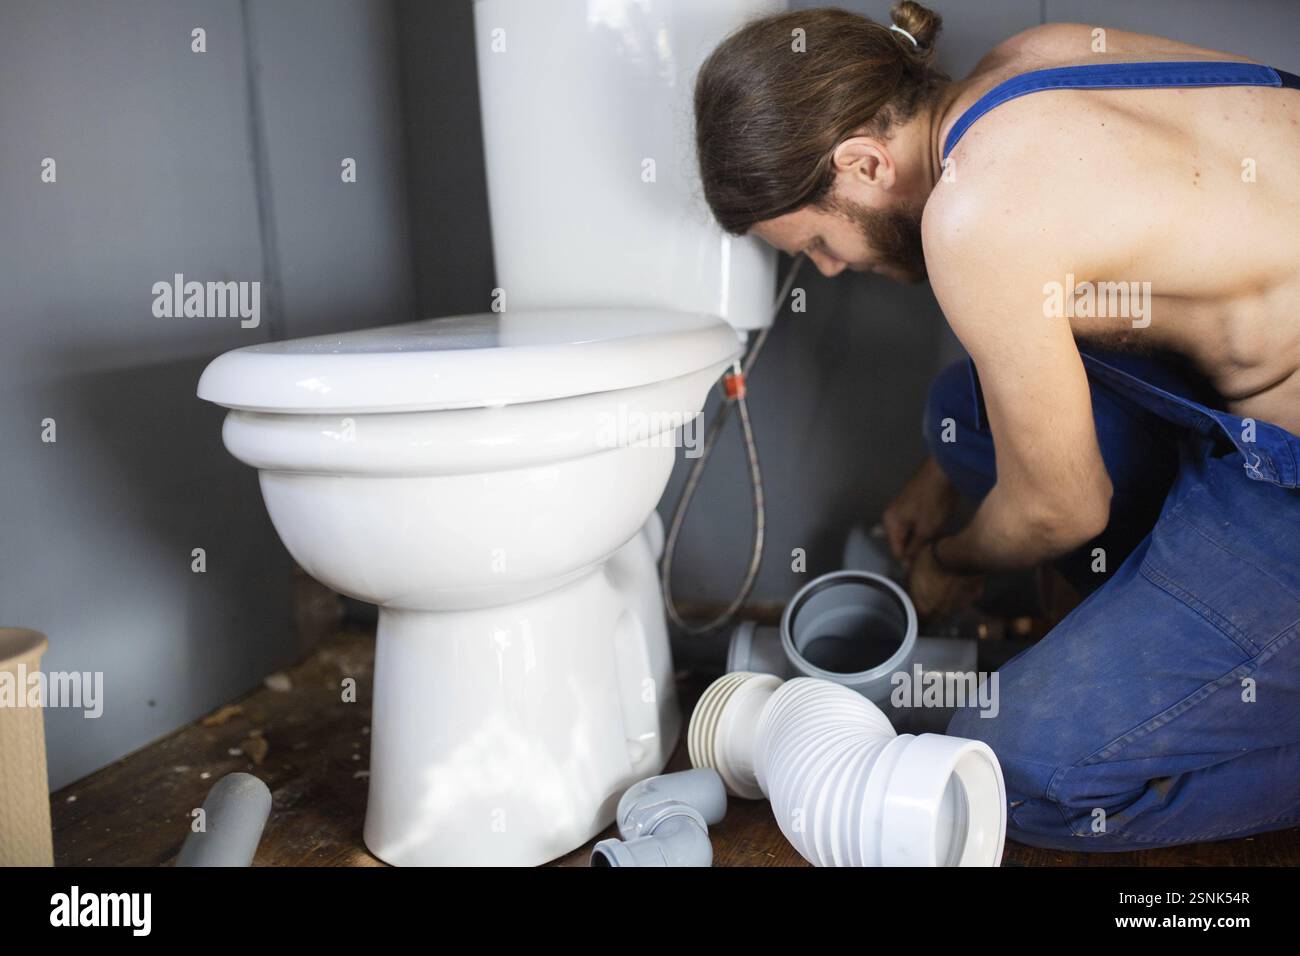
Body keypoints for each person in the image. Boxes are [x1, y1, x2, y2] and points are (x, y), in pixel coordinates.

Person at [693, 1, 1300, 850]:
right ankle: (1200, 649)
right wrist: (943, 472)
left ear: (864, 163)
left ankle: (1222, 670)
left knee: (1008, 769)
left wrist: (950, 565)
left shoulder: (973, 216)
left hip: (1288, 468)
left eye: (820, 242)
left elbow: (1065, 511)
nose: (830, 269)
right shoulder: (1035, 58)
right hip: (1245, 399)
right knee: (962, 417)